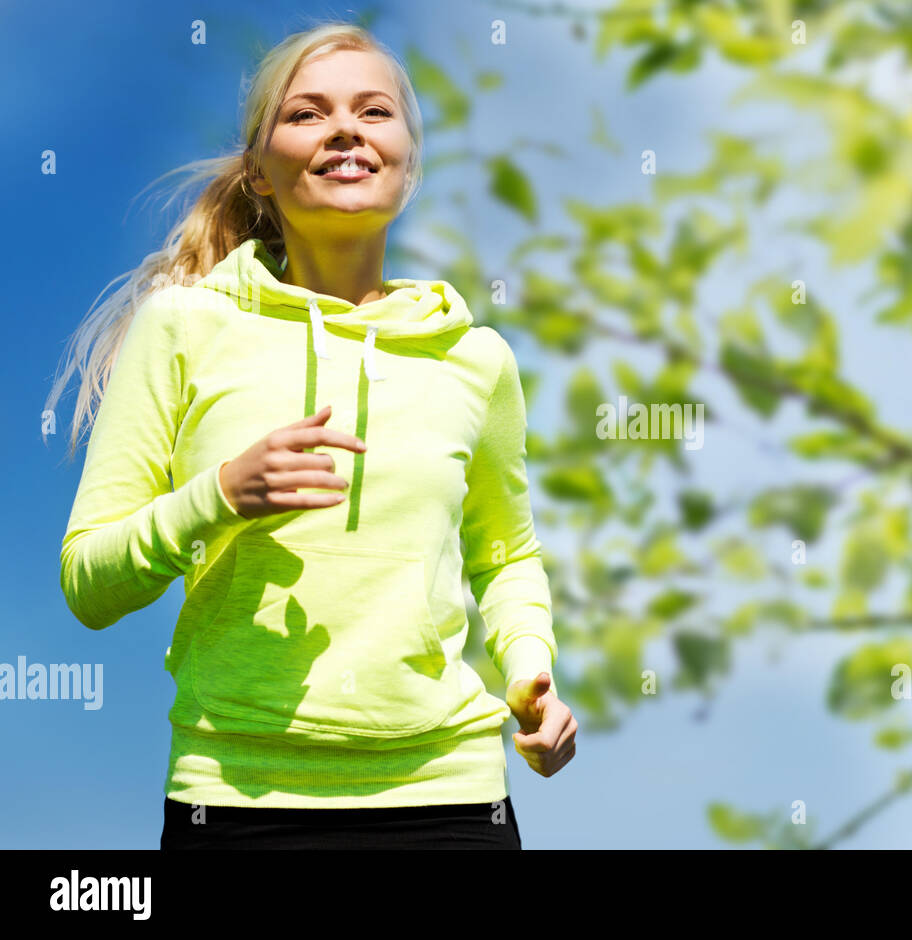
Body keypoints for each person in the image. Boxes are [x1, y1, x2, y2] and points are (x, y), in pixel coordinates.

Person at [48, 21, 576, 850]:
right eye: (307, 113)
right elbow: (88, 581)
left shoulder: (475, 358)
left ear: (408, 163)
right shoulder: (183, 327)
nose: (345, 129)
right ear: (259, 168)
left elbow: (505, 556)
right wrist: (217, 497)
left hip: (452, 799)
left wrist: (530, 672)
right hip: (233, 799)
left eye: (374, 111)